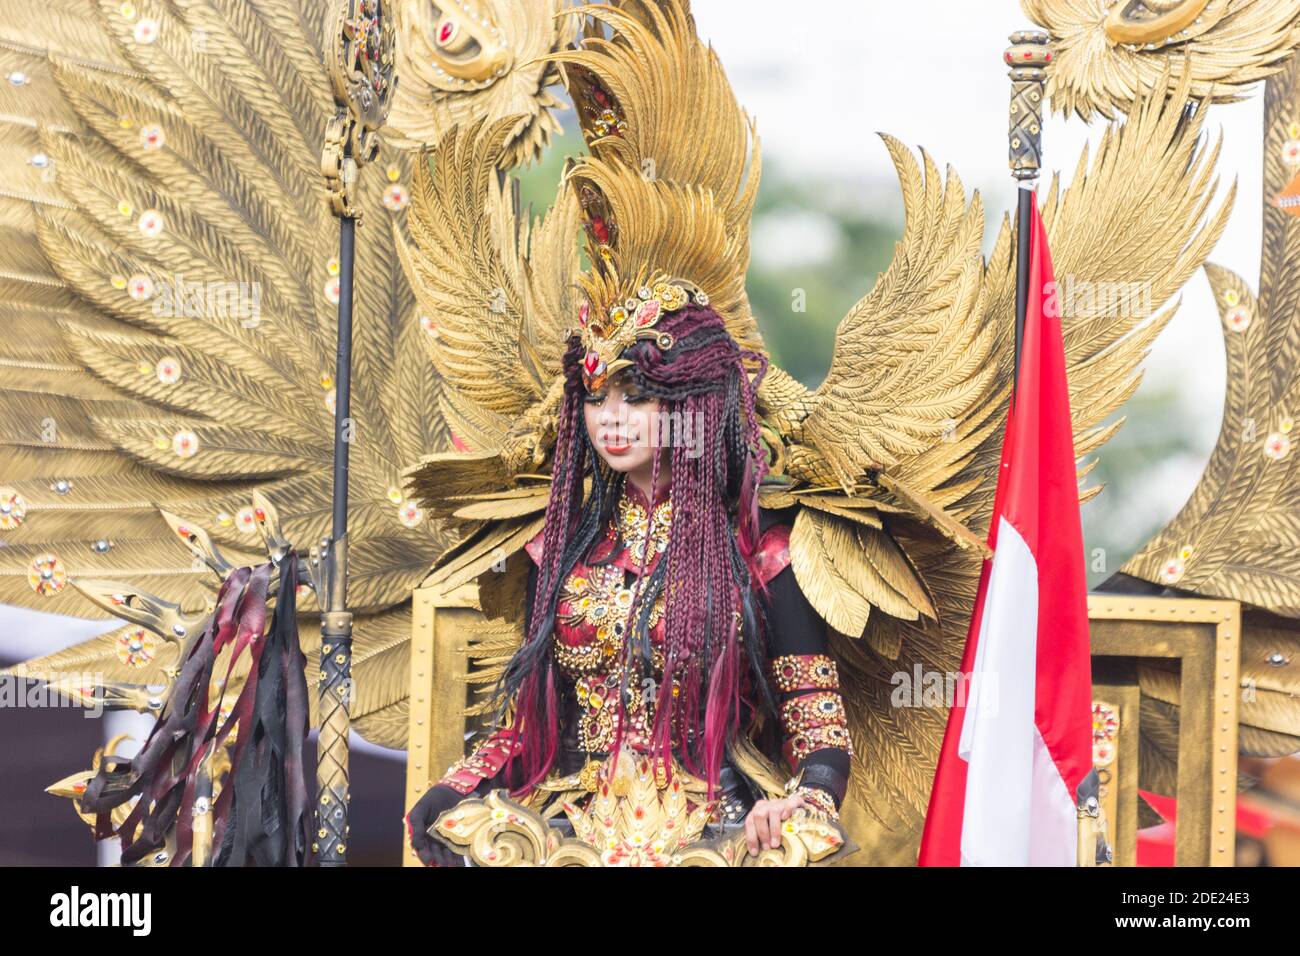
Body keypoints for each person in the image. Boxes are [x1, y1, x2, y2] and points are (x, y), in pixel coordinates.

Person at [406, 285, 854, 866]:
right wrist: (458, 785)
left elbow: (818, 724)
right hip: (569, 838)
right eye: (596, 397)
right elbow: (530, 728)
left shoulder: (763, 550)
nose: (611, 419)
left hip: (718, 840)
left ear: (692, 405)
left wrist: (804, 803)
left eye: (635, 396)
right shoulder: (561, 550)